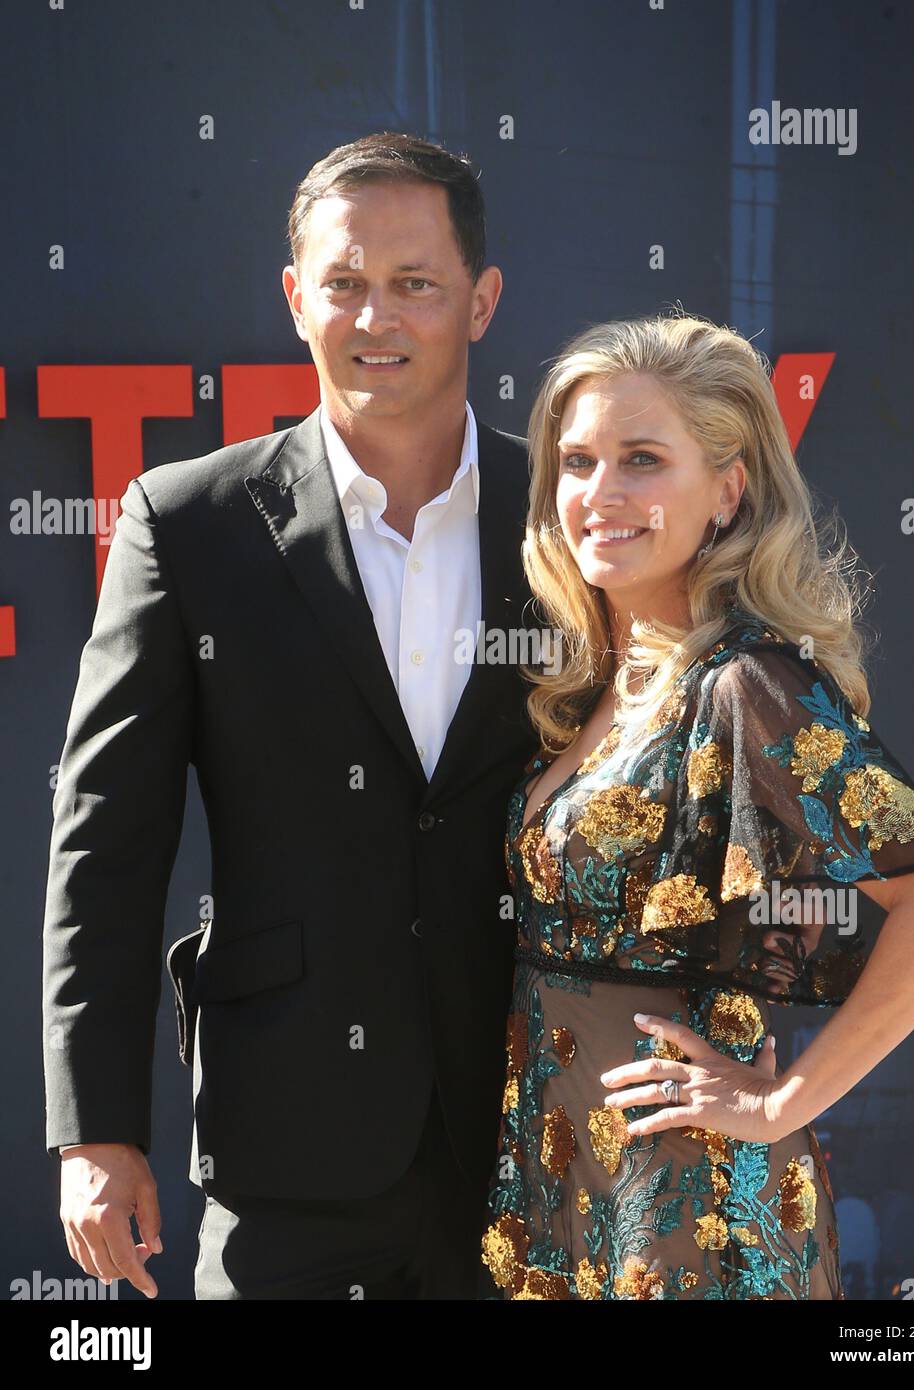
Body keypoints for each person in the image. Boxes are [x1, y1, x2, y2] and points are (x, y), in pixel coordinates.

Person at [42, 132, 542, 1299]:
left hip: (532, 1130)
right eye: (346, 282)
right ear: (293, 299)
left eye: (415, 283)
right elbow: (105, 846)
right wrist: (94, 1132)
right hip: (287, 1150)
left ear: (480, 301)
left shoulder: (568, 519)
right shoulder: (189, 523)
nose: (379, 316)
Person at [480, 310, 914, 1300]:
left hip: (688, 1201)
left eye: (642, 459)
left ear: (727, 489)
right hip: (561, 1181)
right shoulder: (605, 685)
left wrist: (778, 1102)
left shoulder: (744, 682)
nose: (601, 493)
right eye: (579, 461)